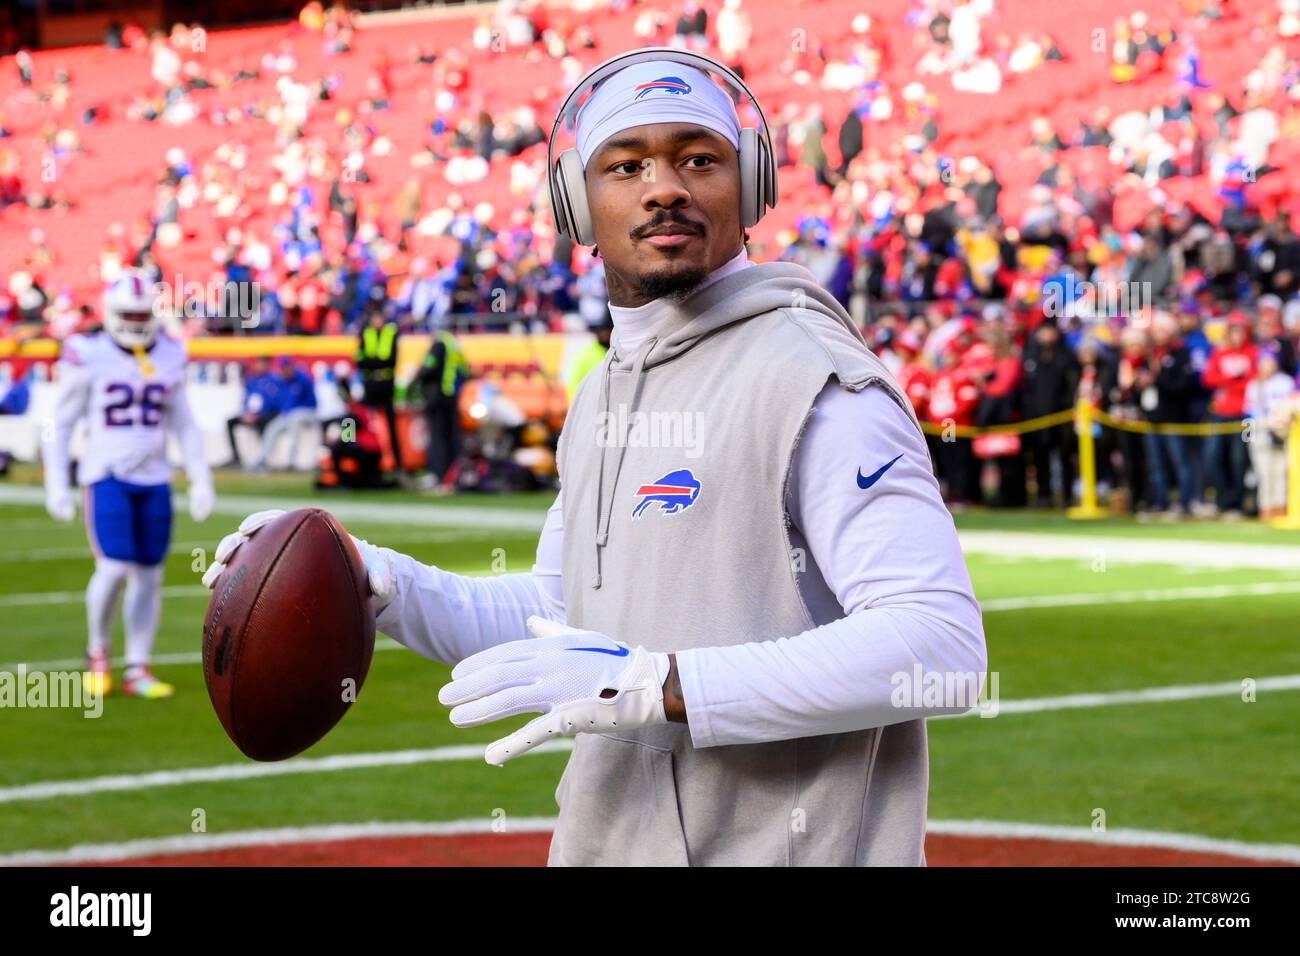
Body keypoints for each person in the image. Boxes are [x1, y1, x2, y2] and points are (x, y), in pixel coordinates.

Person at [203, 49, 984, 867]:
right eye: (627, 163)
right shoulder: (604, 392)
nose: (664, 186)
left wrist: (659, 685)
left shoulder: (816, 378)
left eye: (698, 157)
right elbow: (564, 615)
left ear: (750, 188)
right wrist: (381, 583)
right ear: (577, 204)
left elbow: (938, 648)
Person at [43, 267, 214, 699]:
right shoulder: (87, 352)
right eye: (129, 315)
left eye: (143, 315)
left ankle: (138, 665)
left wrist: (200, 478)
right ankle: (97, 648)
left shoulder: (170, 354)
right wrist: (56, 483)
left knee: (150, 576)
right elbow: (59, 425)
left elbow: (184, 423)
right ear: (113, 313)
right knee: (115, 567)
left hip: (155, 478)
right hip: (107, 475)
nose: (137, 323)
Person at [1201, 314, 1257, 517]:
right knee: (1212, 457)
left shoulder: (1253, 352)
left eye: (1241, 330)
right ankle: (1223, 500)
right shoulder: (1220, 352)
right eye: (1234, 330)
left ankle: (1237, 503)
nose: (1237, 335)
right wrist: (1234, 378)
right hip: (1220, 413)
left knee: (1239, 459)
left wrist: (1229, 381)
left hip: (1245, 415)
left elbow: (1253, 381)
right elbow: (1207, 378)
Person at [1244, 349, 1294, 520]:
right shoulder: (1254, 384)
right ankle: (1266, 508)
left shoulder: (1285, 382)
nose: (1268, 366)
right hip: (1261, 430)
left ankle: (1280, 507)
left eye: (1271, 362)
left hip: (1282, 431)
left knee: (1281, 471)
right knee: (1264, 472)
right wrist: (1247, 437)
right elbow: (1249, 413)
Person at [416, 329, 470, 488]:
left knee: (438, 439)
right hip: (451, 397)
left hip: (436, 398)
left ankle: (440, 476)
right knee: (451, 438)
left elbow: (427, 368)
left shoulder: (438, 344)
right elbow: (465, 372)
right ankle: (454, 476)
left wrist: (416, 374)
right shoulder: (454, 345)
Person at [356, 299, 402, 470]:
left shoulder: (391, 333)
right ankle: (364, 459)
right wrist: (377, 362)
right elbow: (360, 359)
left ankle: (397, 463)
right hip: (369, 385)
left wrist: (373, 362)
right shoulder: (365, 333)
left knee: (391, 426)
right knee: (359, 421)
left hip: (386, 385)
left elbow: (391, 361)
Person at [259, 357, 318, 471]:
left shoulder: (302, 379)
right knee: (272, 426)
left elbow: (311, 402)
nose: (283, 371)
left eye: (285, 367)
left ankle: (292, 461)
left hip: (308, 413)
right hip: (289, 415)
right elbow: (280, 403)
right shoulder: (282, 382)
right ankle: (262, 460)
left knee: (295, 420)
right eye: (281, 368)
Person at [224, 356, 278, 469]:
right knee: (230, 422)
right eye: (258, 363)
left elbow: (272, 402)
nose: (259, 366)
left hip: (264, 415)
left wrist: (257, 415)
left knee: (264, 423)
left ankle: (262, 458)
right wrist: (245, 413)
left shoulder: (273, 380)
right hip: (249, 414)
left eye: (262, 363)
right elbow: (245, 399)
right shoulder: (252, 381)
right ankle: (235, 457)